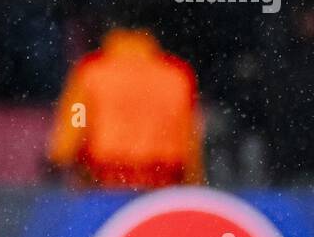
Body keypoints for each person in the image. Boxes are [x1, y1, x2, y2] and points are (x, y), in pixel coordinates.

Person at [46, 14, 204, 188]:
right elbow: (188, 132)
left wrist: (60, 157)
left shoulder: (91, 72)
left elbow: (77, 121)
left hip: (106, 180)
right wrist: (193, 179)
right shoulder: (177, 75)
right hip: (162, 182)